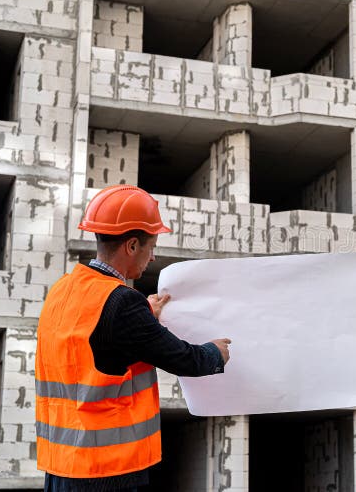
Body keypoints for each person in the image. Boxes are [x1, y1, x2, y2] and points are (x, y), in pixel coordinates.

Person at [35, 185, 231, 491]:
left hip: (62, 464)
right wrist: (214, 353)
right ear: (131, 245)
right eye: (151, 247)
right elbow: (181, 357)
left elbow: (95, 337)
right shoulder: (123, 303)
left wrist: (143, 314)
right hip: (107, 471)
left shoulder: (64, 289)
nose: (152, 257)